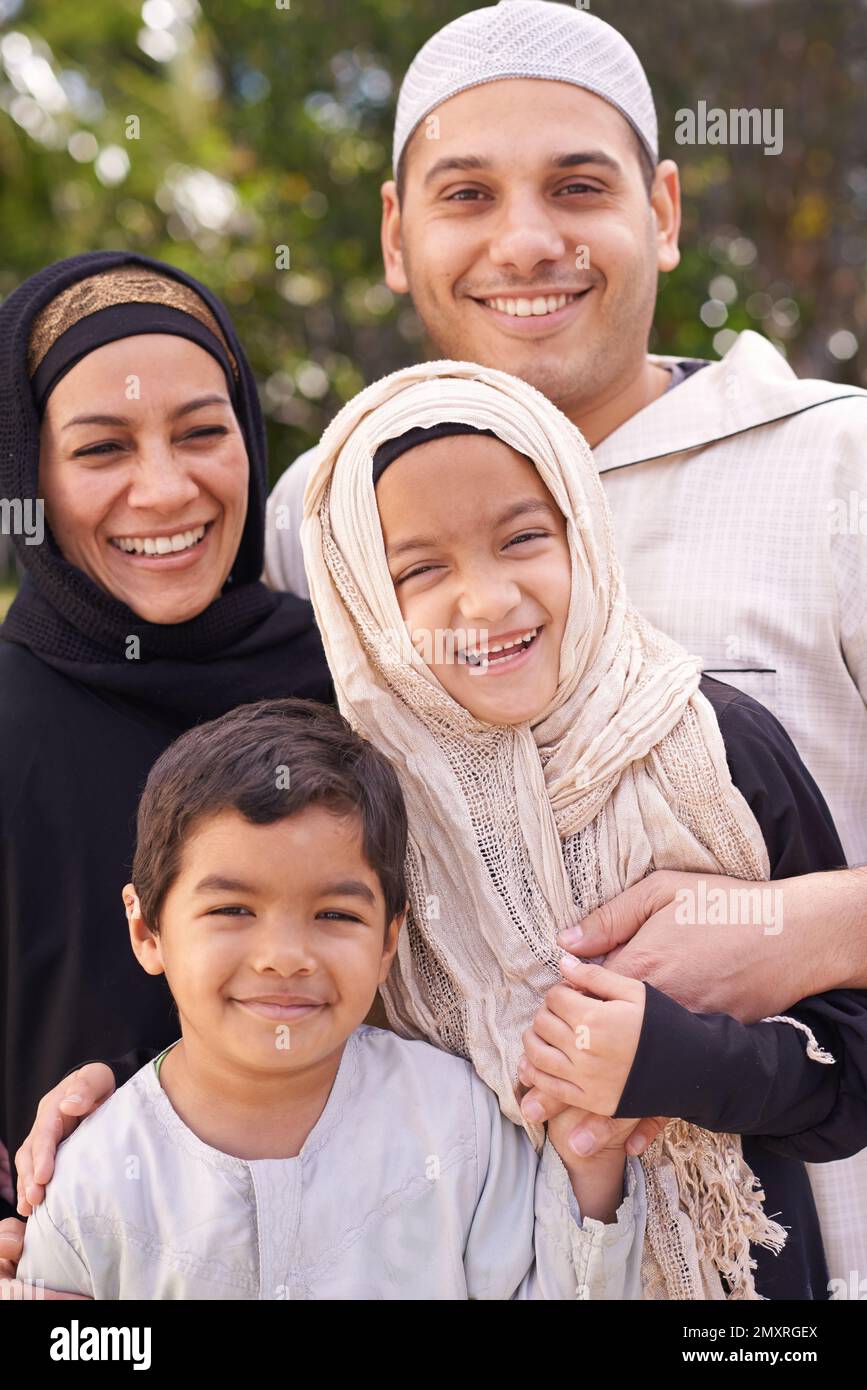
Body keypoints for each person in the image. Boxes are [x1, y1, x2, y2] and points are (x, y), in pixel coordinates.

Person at [261, 0, 867, 1277]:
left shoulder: (835, 466)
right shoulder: (320, 515)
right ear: (395, 232)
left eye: (577, 187)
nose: (526, 241)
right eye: (467, 193)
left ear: (662, 209)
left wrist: (803, 927)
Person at [291, 358, 867, 1299]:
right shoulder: (360, 819)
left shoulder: (716, 752)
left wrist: (672, 1062)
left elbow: (851, 1068)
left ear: (581, 532)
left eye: (521, 538)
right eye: (419, 569)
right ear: (360, 602)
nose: (486, 600)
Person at [16, 698, 645, 1299]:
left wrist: (592, 1168)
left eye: (335, 915)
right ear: (147, 931)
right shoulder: (88, 1181)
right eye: (233, 909)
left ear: (387, 941)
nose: (285, 956)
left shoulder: (459, 1126)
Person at [0, 252, 332, 1230]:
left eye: (201, 433)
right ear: (31, 476)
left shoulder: (354, 687)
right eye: (103, 450)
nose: (164, 488)